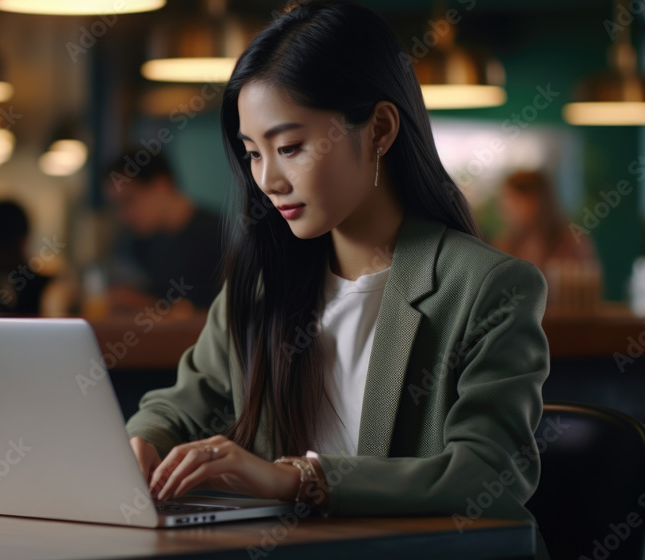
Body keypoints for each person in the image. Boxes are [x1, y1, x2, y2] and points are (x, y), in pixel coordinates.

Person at [124, 1, 552, 558]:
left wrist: (298, 479)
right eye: (253, 154)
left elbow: (490, 474)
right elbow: (179, 407)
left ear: (378, 129)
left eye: (290, 147)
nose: (268, 180)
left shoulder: (488, 288)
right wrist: (146, 443)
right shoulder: (260, 290)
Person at [102, 149, 225, 311]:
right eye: (115, 206)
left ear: (161, 186)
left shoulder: (220, 236)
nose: (122, 215)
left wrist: (140, 303)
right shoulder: (134, 242)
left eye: (127, 200)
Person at [492, 169, 599, 273]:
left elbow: (583, 283)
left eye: (513, 203)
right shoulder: (506, 244)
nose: (505, 211)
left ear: (536, 201)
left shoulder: (571, 241)